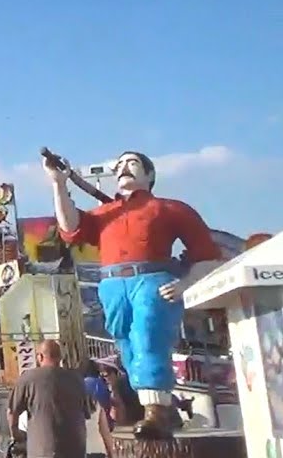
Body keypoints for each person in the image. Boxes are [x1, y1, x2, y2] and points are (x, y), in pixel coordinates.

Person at [44, 149, 223, 438]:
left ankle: (156, 413)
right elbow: (70, 227)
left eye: (132, 163)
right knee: (126, 343)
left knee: (147, 335)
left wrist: (185, 283)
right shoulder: (105, 213)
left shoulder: (170, 209)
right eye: (119, 165)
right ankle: (160, 407)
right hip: (113, 285)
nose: (123, 168)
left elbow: (207, 256)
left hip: (152, 281)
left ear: (150, 175)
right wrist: (58, 183)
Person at [7, 340, 90, 458]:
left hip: (42, 451)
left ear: (40, 357)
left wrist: (16, 434)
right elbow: (86, 413)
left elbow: (11, 412)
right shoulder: (76, 379)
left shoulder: (28, 379)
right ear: (60, 357)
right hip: (75, 449)